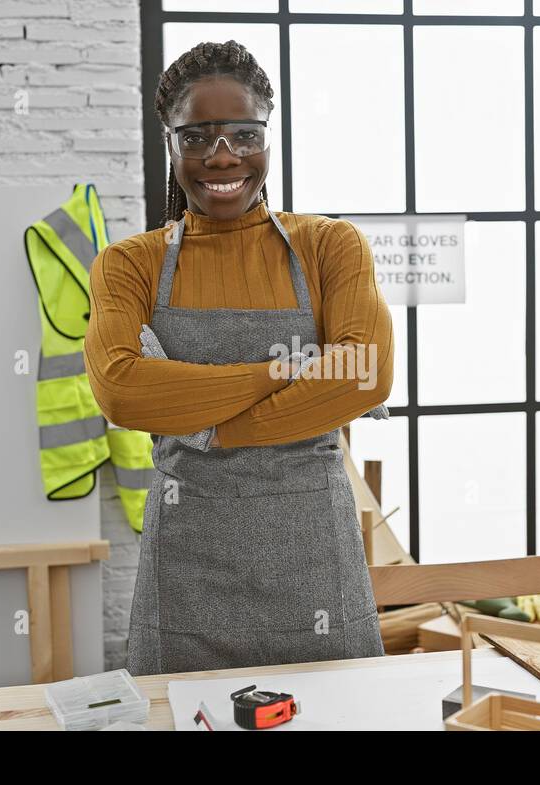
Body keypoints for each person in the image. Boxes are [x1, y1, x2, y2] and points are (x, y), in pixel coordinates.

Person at [84, 39, 394, 676]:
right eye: (196, 137)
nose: (221, 156)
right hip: (187, 562)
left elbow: (365, 373)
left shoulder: (330, 245)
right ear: (170, 143)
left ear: (267, 139)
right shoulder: (131, 264)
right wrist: (287, 373)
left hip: (315, 561)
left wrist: (217, 428)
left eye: (243, 134)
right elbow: (121, 391)